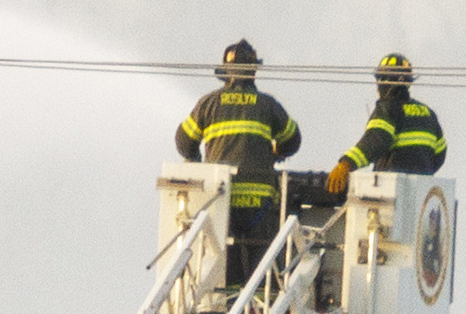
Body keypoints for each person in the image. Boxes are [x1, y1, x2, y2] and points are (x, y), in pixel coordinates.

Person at [177, 39, 302, 283]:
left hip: (222, 198)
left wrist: (196, 162)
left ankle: (232, 302)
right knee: (261, 261)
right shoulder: (268, 106)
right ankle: (256, 306)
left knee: (227, 257)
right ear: (254, 71)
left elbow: (183, 141)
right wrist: (275, 153)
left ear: (225, 72)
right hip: (260, 201)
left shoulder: (209, 104)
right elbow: (293, 140)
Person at [327, 53, 447, 192]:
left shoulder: (388, 108)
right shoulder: (428, 114)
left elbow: (375, 141)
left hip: (391, 194)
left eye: (383, 79)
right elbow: (439, 155)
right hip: (421, 197)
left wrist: (347, 164)